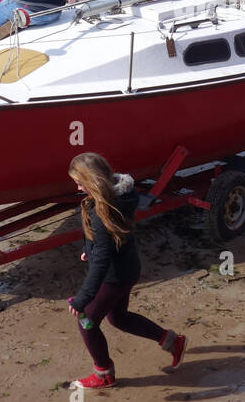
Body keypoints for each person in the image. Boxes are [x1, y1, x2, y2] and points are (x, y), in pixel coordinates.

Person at [67, 152, 186, 389]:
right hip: (129, 268)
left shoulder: (102, 211)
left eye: (80, 182)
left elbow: (101, 263)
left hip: (114, 277)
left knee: (86, 320)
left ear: (92, 180)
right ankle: (172, 342)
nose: (78, 188)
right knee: (119, 319)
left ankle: (103, 374)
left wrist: (82, 299)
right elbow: (107, 241)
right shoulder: (121, 196)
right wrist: (89, 249)